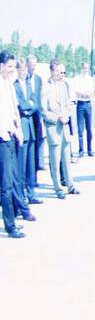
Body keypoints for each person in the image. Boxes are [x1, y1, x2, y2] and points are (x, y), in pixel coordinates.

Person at [0, 51, 30, 237]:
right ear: (1, 66)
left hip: (11, 136)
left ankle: (13, 218)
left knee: (12, 179)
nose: (13, 70)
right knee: (6, 185)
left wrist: (18, 128)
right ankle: (10, 226)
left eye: (13, 67)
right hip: (2, 139)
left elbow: (14, 109)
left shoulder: (8, 84)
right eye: (9, 66)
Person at [41, 60, 79, 198]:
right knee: (55, 161)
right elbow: (44, 111)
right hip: (54, 128)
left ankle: (70, 185)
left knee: (66, 159)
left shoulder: (64, 85)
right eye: (57, 71)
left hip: (65, 127)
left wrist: (67, 115)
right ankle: (58, 188)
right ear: (52, 71)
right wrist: (57, 117)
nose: (60, 74)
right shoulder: (46, 87)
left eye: (61, 71)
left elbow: (68, 104)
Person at [13, 57, 42, 204]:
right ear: (17, 70)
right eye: (22, 70)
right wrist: (27, 106)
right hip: (22, 128)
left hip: (31, 128)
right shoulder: (15, 86)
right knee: (22, 165)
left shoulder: (29, 84)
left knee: (31, 164)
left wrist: (28, 108)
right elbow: (20, 106)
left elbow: (36, 104)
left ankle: (31, 194)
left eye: (26, 70)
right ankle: (21, 195)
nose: (25, 72)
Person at [72, 62, 95, 159]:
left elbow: (92, 91)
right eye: (84, 68)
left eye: (87, 68)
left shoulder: (90, 79)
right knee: (80, 129)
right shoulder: (77, 78)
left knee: (89, 128)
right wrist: (82, 94)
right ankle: (81, 150)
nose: (86, 70)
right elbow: (76, 90)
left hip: (88, 104)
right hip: (80, 104)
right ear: (82, 68)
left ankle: (89, 149)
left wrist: (87, 94)